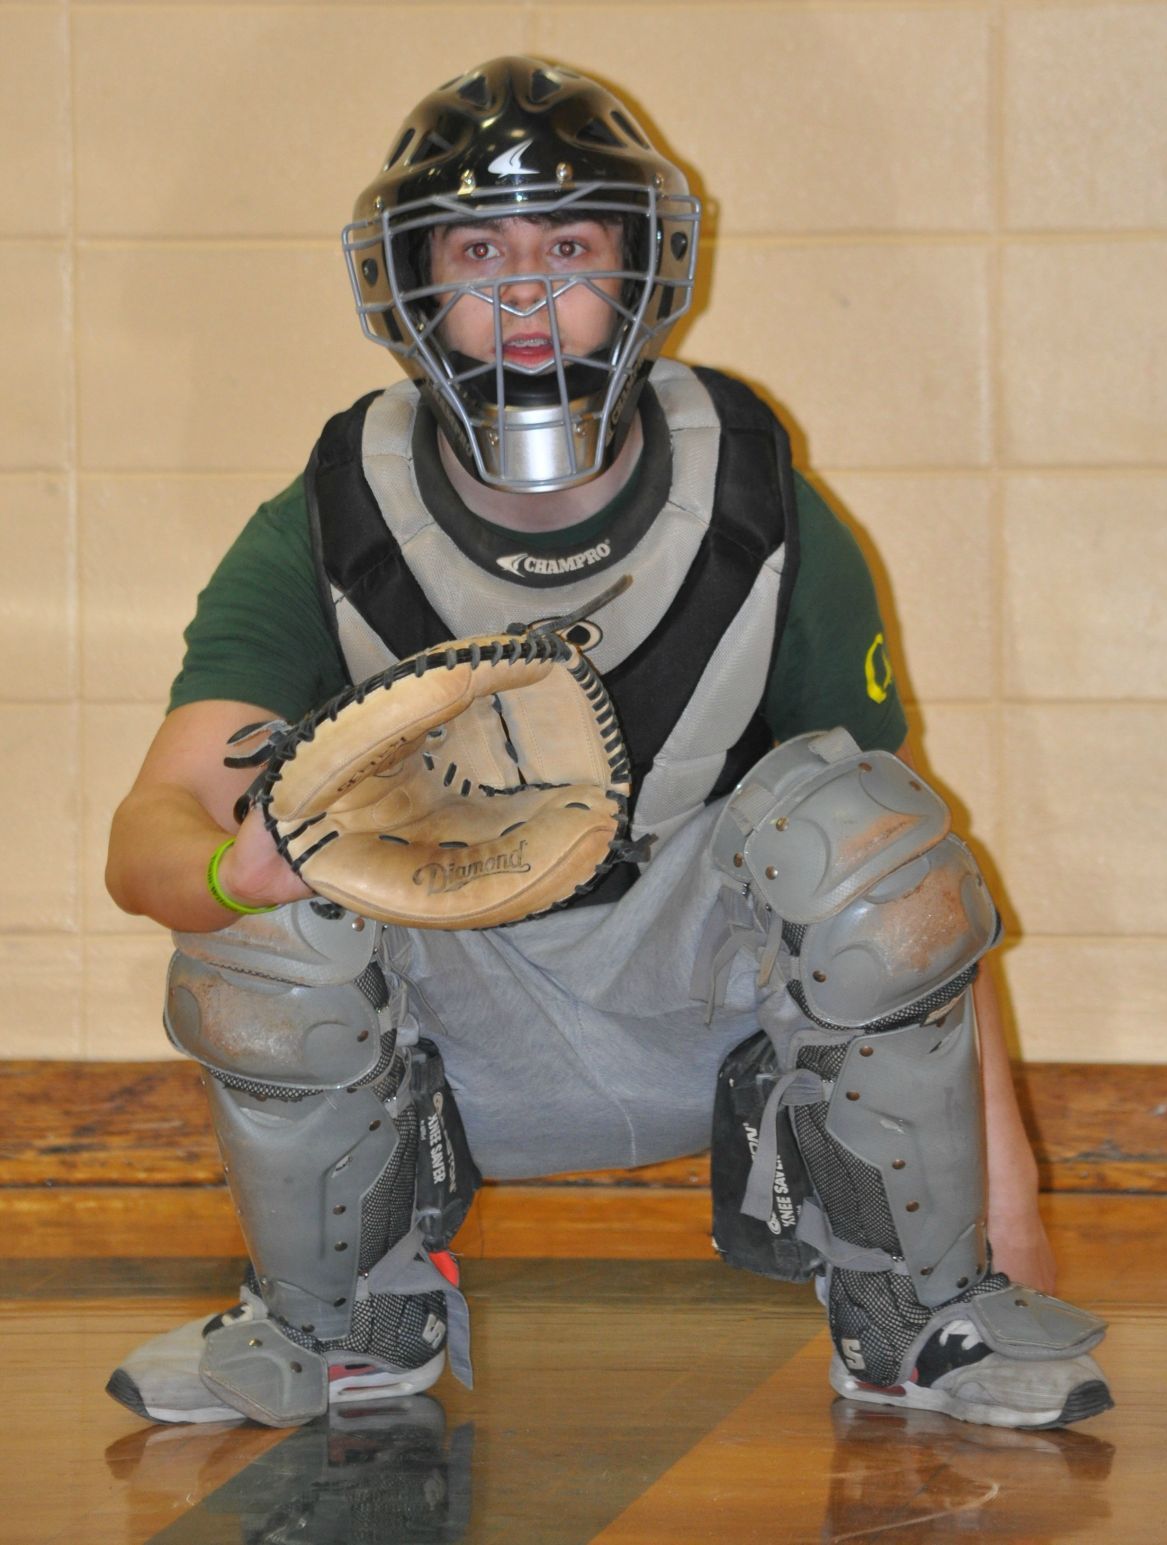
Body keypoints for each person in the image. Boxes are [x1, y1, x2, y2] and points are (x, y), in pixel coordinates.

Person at [105, 56, 1111, 1431]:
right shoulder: (334, 511)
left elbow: (921, 895)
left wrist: (1011, 1227)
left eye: (567, 245)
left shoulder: (757, 493)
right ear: (409, 279)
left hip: (710, 1016)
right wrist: (240, 878)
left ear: (642, 264)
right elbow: (152, 828)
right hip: (452, 1033)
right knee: (265, 896)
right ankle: (342, 1317)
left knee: (856, 823)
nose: (525, 292)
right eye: (478, 248)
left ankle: (917, 1309)